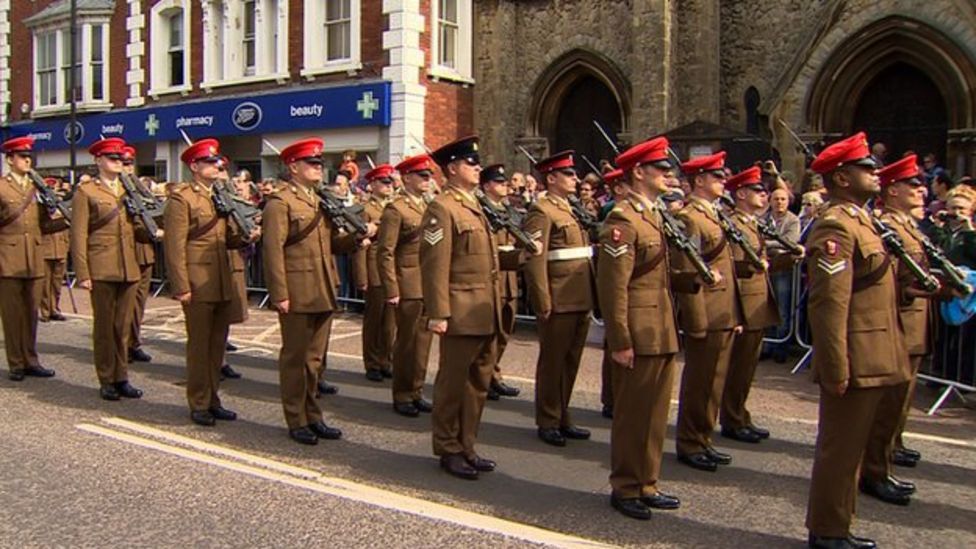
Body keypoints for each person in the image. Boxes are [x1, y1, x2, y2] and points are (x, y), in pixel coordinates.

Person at [804, 132, 910, 549]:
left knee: (854, 448)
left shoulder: (864, 221)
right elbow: (828, 304)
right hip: (854, 353)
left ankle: (839, 525)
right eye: (865, 168)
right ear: (842, 178)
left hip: (876, 348)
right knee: (841, 449)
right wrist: (834, 364)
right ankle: (828, 531)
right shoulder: (835, 225)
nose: (875, 173)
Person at [598, 137, 696, 520]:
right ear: (638, 173)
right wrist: (620, 340)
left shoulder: (653, 215)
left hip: (661, 327)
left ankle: (647, 481)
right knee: (633, 415)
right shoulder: (623, 220)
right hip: (638, 330)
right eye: (662, 169)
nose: (669, 175)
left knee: (655, 416)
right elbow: (614, 286)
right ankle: (625, 485)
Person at [420, 136, 524, 479]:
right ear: (452, 168)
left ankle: (467, 444)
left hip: (485, 309)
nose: (478, 168)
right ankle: (447, 447)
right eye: (471, 163)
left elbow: (485, 257)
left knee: (478, 384)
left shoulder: (475, 205)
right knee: (453, 384)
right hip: (461, 311)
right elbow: (435, 264)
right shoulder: (442, 208)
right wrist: (438, 312)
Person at [263, 137, 369, 444]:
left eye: (320, 163)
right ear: (293, 167)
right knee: (296, 358)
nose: (318, 168)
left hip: (322, 286)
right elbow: (273, 251)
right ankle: (296, 418)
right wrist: (279, 293)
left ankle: (313, 415)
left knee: (315, 361)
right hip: (296, 289)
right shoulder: (280, 203)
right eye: (312, 163)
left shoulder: (319, 199)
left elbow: (331, 243)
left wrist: (355, 239)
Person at [853, 154, 933, 508]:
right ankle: (875, 468)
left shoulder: (907, 226)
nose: (921, 189)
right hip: (895, 321)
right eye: (913, 184)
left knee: (897, 404)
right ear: (894, 190)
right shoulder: (886, 227)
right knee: (886, 407)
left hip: (911, 322)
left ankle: (883, 462)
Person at [164, 139, 258, 425]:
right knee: (200, 345)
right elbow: (174, 245)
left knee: (217, 344)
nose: (216, 166)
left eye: (217, 162)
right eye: (209, 162)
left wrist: (246, 236)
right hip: (197, 279)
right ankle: (199, 402)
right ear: (194, 166)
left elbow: (227, 238)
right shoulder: (182, 198)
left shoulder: (220, 195)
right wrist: (181, 285)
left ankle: (213, 398)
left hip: (220, 276)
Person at [523, 150, 596, 447]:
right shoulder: (543, 211)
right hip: (559, 297)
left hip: (579, 297)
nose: (575, 178)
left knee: (570, 362)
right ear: (551, 178)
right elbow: (535, 260)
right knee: (553, 362)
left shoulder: (570, 208)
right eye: (568, 174)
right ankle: (548, 418)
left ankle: (563, 414)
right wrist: (542, 301)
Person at [672, 151, 738, 473]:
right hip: (707, 312)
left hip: (723, 312)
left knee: (715, 382)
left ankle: (703, 437)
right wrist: (696, 323)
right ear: (699, 181)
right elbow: (689, 272)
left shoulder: (715, 214)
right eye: (717, 177)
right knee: (699, 382)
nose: (723, 181)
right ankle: (689, 441)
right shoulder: (690, 218)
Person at [71, 138, 150, 400]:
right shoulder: (87, 192)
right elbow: (79, 234)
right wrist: (83, 273)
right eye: (112, 159)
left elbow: (137, 227)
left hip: (128, 265)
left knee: (123, 326)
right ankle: (106, 378)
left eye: (122, 160)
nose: (118, 163)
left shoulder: (129, 190)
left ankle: (122, 376)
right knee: (105, 327)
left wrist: (151, 227)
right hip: (102, 266)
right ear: (99, 161)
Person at [719, 166, 782, 444]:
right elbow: (734, 267)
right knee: (737, 369)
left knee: (746, 369)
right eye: (758, 190)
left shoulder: (753, 223)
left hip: (756, 302)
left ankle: (740, 414)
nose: (764, 195)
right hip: (742, 303)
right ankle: (731, 419)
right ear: (741, 193)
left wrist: (790, 258)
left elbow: (762, 265)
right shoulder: (733, 223)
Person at [0, 136, 65, 381]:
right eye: (22, 156)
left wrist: (65, 220)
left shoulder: (37, 188)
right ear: (9, 160)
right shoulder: (2, 187)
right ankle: (16, 362)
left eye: (29, 157)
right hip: (8, 257)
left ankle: (31, 359)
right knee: (12, 313)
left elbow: (44, 226)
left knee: (30, 312)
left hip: (34, 257)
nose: (27, 160)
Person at [376, 155, 436, 417]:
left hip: (428, 283)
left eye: (428, 176)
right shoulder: (395, 209)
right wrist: (392, 288)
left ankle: (416, 390)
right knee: (406, 343)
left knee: (423, 343)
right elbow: (385, 251)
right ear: (407, 178)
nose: (427, 180)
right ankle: (402, 394)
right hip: (407, 282)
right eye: (421, 175)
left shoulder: (430, 206)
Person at [479, 164, 522, 401]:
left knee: (505, 331)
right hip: (491, 276)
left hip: (509, 279)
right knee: (489, 333)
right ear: (487, 186)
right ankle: (485, 377)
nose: (505, 186)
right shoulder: (481, 210)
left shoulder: (506, 209)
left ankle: (494, 373)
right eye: (500, 182)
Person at [354, 164, 397, 383]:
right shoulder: (366, 209)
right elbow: (361, 244)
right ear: (372, 185)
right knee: (374, 320)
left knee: (390, 322)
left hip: (392, 269)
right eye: (384, 182)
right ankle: (371, 362)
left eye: (390, 182)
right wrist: (362, 277)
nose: (389, 186)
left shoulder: (394, 207)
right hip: (374, 268)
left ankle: (385, 360)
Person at [123, 145, 156, 364]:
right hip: (126, 253)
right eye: (124, 164)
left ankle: (133, 342)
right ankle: (122, 346)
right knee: (124, 306)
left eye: (129, 163)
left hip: (145, 252)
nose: (127, 168)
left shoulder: (141, 189)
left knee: (138, 304)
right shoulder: (117, 192)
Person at [764, 185, 802, 362]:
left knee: (782, 308)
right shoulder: (762, 219)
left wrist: (766, 244)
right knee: (766, 306)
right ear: (770, 201)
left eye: (783, 199)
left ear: (788, 202)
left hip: (783, 268)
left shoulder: (793, 220)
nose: (779, 202)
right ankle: (767, 345)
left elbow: (790, 242)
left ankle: (780, 346)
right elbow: (754, 240)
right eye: (776, 199)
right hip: (765, 267)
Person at [39, 176, 70, 322]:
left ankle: (54, 308)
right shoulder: (42, 206)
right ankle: (45, 311)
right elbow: (44, 226)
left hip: (61, 247)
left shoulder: (62, 205)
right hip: (46, 248)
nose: (54, 190)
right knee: (45, 283)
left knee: (57, 282)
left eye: (55, 187)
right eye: (50, 187)